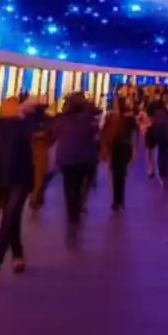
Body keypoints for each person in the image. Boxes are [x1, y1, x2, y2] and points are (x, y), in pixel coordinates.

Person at [0, 96, 36, 287]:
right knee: (11, 218)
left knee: (8, 219)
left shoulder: (8, 128)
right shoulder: (11, 127)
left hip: (15, 180)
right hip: (11, 179)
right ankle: (17, 255)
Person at [54, 92, 101, 239]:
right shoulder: (89, 119)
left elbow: (55, 132)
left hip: (66, 158)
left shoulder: (62, 119)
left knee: (69, 188)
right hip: (85, 159)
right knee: (81, 186)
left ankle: (72, 216)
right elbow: (96, 136)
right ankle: (78, 209)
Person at [100, 105, 137, 211]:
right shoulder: (129, 120)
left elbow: (106, 133)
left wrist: (105, 149)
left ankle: (117, 201)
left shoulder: (113, 118)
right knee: (120, 175)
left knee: (116, 175)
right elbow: (132, 136)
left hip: (117, 147)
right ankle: (119, 201)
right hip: (125, 148)